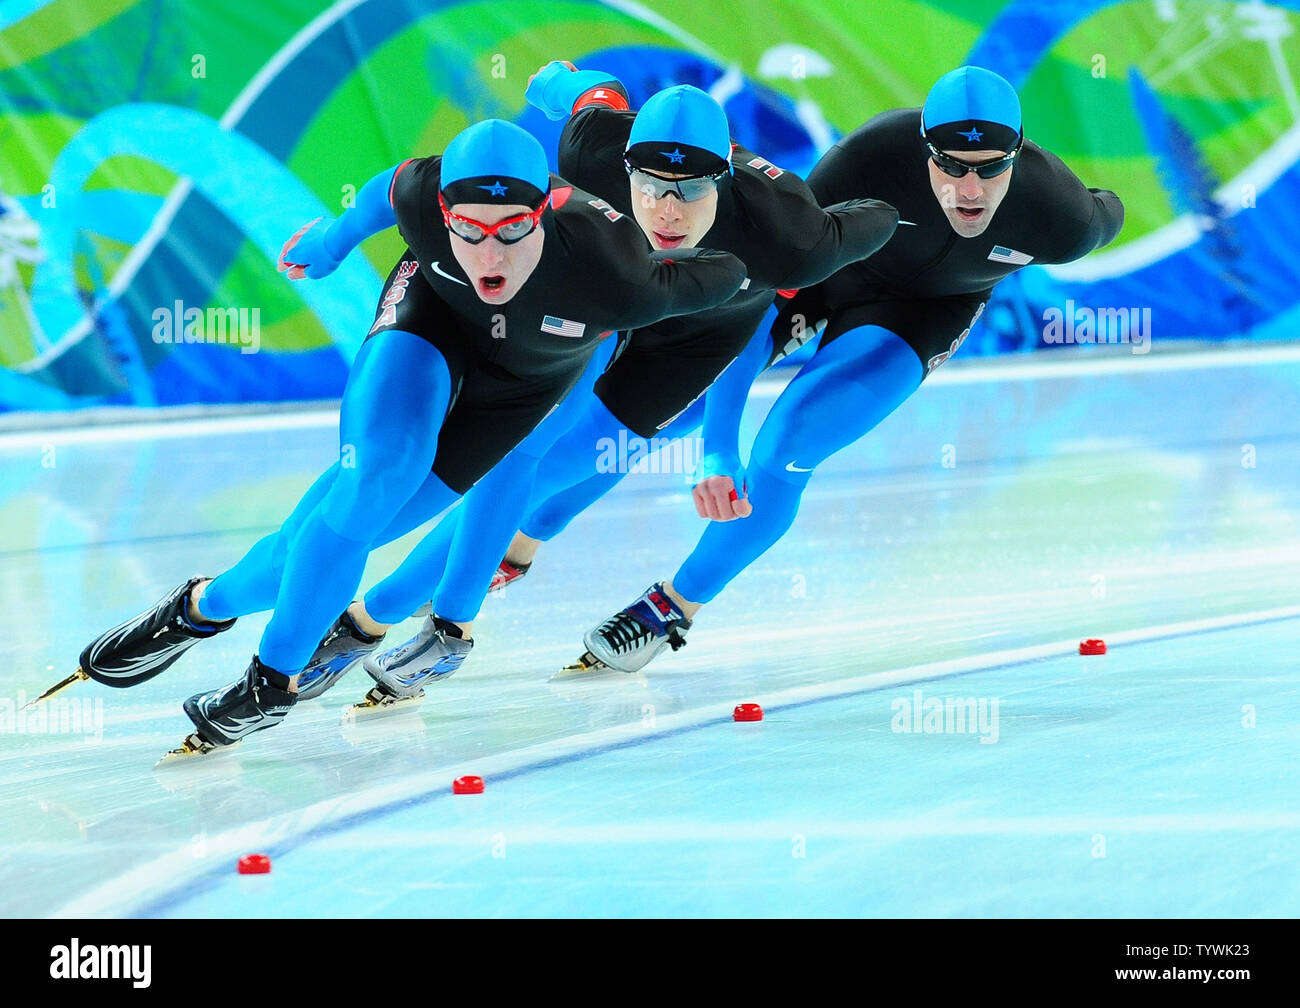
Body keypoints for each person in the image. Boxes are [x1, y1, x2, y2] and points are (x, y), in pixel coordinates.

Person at [67, 118, 747, 753]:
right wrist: (330, 242)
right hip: (429, 325)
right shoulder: (421, 196)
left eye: (512, 231)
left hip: (517, 389)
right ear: (442, 214)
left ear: (543, 213)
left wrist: (766, 256)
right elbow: (381, 192)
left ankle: (198, 608)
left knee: (322, 539)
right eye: (469, 230)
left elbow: (737, 274)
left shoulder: (621, 275)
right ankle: (270, 684)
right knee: (372, 481)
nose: (490, 254)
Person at [286, 64, 898, 710]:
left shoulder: (791, 234)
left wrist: (723, 441)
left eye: (689, 190)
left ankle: (370, 619)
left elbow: (880, 215)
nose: (666, 209)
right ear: (626, 163)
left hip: (689, 345)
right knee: (520, 456)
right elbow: (593, 98)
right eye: (650, 184)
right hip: (609, 306)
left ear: (723, 182)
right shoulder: (596, 147)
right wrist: (554, 81)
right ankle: (451, 592)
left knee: (562, 473)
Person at [551, 64, 1124, 672]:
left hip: (923, 313)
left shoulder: (1065, 219)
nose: (970, 189)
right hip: (824, 275)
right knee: (670, 409)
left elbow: (1107, 207)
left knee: (789, 442)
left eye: (990, 167)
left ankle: (672, 606)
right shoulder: (867, 159)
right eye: (950, 165)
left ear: (1018, 154)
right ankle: (518, 542)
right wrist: (718, 448)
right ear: (924, 149)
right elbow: (743, 322)